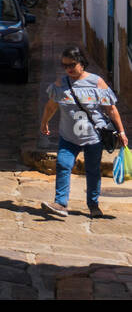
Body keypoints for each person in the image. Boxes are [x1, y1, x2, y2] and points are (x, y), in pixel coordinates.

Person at [40, 46, 128, 217]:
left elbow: (111, 109)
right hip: (68, 137)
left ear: (81, 63)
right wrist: (44, 122)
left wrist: (122, 132)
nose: (68, 69)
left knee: (93, 170)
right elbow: (51, 106)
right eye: (64, 66)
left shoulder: (96, 82)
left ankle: (93, 205)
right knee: (63, 165)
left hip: (93, 138)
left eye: (72, 65)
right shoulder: (61, 84)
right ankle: (60, 204)